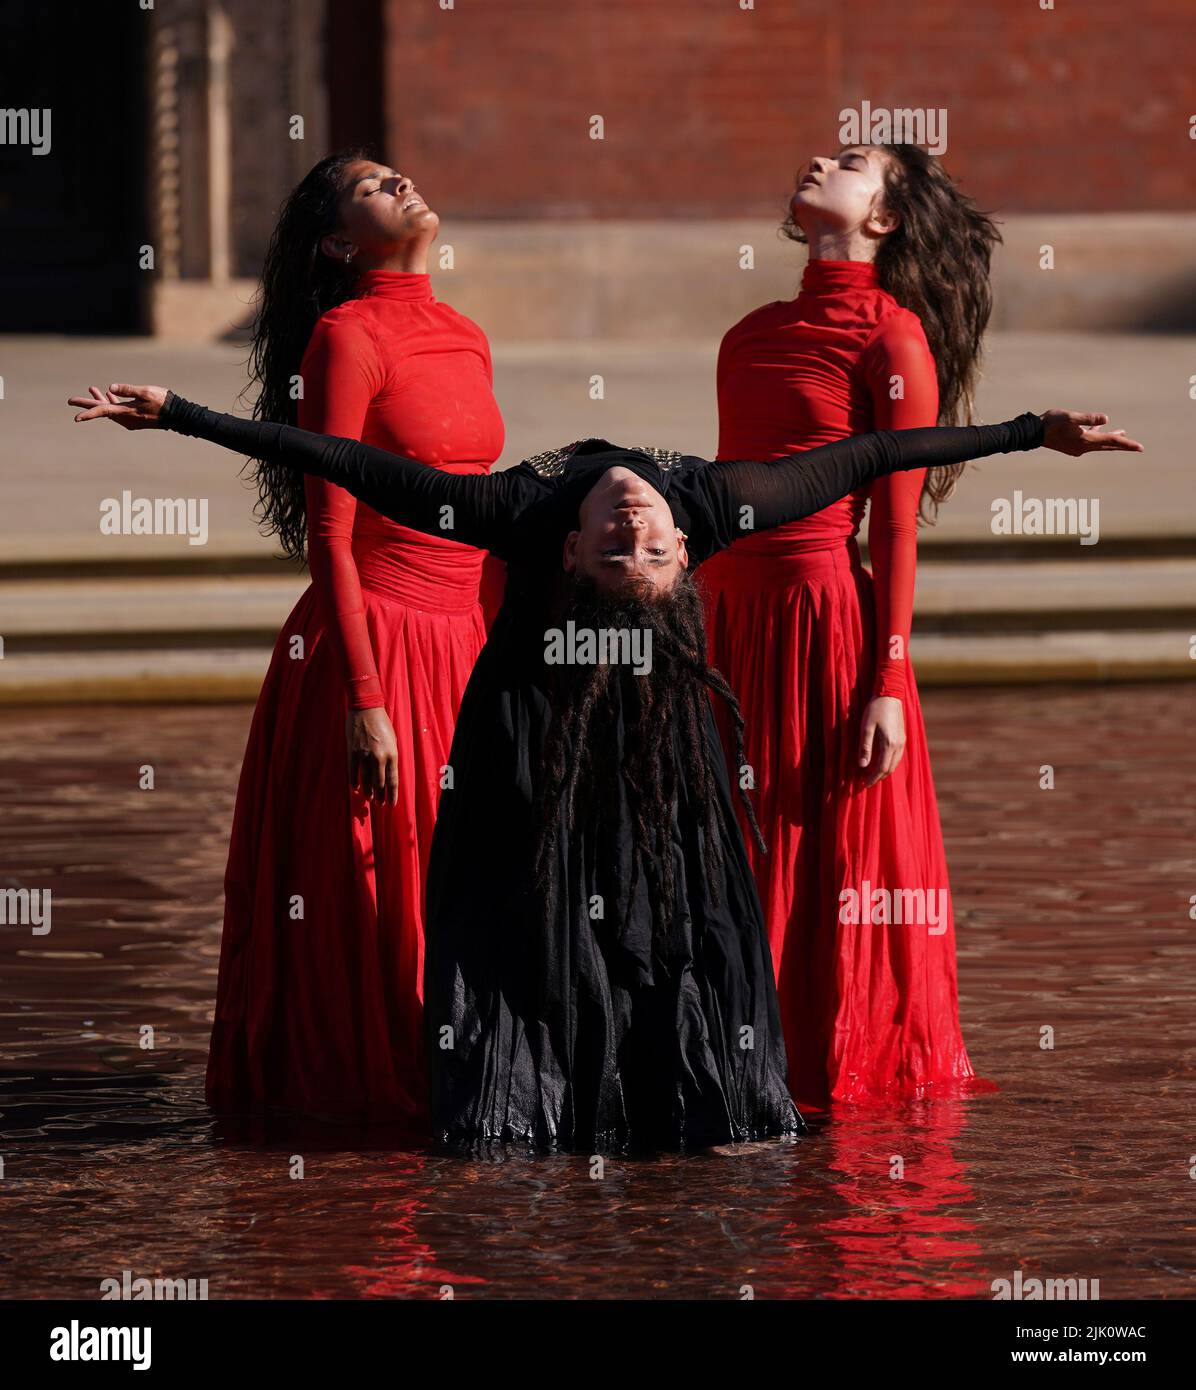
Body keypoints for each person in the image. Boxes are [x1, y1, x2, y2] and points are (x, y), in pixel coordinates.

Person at [68, 382, 1140, 1150]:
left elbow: (346, 465)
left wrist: (177, 414)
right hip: (535, 718)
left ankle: (679, 1102)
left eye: (630, 544)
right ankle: (538, 1102)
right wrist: (1029, 432)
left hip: (611, 710)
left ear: (571, 557)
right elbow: (868, 456)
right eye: (646, 548)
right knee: (539, 911)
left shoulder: (517, 514)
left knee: (659, 897)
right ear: (684, 554)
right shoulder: (719, 502)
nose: (636, 527)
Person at [191, 150, 505, 1124]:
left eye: (396, 174)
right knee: (375, 886)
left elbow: (483, 510)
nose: (401, 183)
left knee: (460, 878)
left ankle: (461, 1079)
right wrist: (365, 700)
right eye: (372, 187)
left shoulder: (465, 333)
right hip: (372, 640)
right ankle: (366, 1099)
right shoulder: (343, 336)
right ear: (338, 241)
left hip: (460, 646)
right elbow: (329, 528)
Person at [700, 141, 1006, 1108]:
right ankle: (735, 1062)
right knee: (733, 843)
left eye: (854, 159)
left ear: (884, 218)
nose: (820, 158)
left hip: (827, 621)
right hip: (728, 618)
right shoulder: (749, 334)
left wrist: (888, 681)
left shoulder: (893, 339)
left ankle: (836, 1075)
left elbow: (898, 525)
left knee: (822, 845)